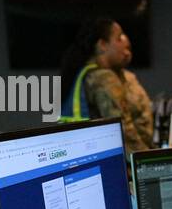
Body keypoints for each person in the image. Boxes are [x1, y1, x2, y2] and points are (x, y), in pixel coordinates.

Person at [58, 17, 154, 152]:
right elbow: (124, 132)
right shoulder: (103, 78)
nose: (126, 40)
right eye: (119, 37)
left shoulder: (80, 73)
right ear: (102, 44)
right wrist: (148, 160)